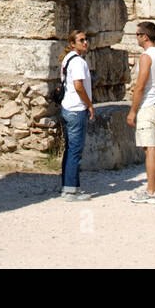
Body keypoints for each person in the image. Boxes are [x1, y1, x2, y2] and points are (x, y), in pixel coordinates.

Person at [126, 21, 155, 204]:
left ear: (145, 36)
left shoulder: (146, 57)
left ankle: (151, 191)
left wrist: (132, 110)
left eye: (137, 34)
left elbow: (140, 86)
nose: (136, 37)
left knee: (149, 149)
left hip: (148, 106)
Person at [58, 31, 94, 201]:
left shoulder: (67, 59)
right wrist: (89, 104)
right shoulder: (78, 62)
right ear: (73, 43)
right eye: (81, 40)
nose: (85, 42)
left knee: (70, 149)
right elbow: (79, 86)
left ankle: (68, 186)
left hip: (67, 106)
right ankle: (71, 191)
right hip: (77, 108)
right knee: (75, 151)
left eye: (86, 39)